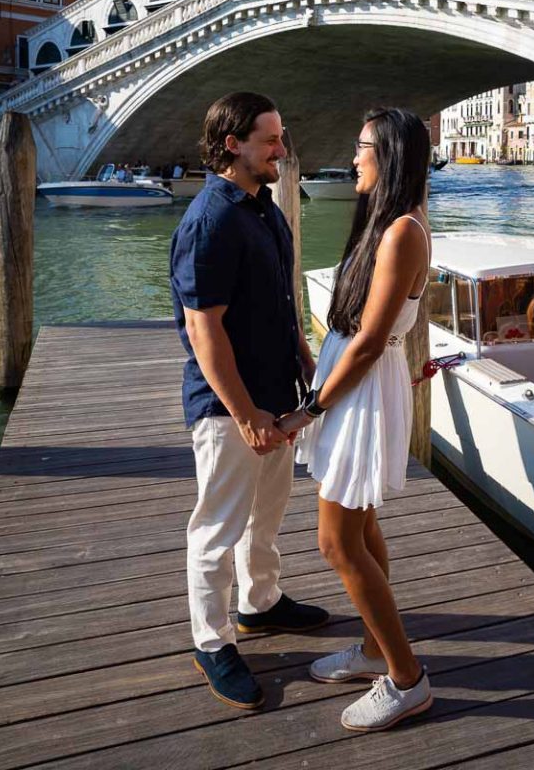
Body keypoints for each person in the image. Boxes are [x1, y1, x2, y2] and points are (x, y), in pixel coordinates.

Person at [170, 92, 328, 711]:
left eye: (281, 138)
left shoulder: (264, 207)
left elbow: (280, 296)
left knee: (265, 514)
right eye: (271, 140)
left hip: (276, 394)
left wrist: (303, 356)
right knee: (217, 526)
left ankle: (260, 604)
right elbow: (204, 329)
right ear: (233, 144)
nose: (281, 149)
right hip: (228, 407)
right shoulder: (210, 219)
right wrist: (244, 414)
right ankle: (211, 641)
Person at [280, 108, 433, 733]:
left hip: (362, 386)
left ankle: (406, 678)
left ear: (389, 154)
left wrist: (311, 407)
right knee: (360, 523)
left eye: (362, 146)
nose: (353, 157)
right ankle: (374, 650)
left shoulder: (401, 232)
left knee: (336, 540)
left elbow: (370, 342)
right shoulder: (392, 224)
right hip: (359, 379)